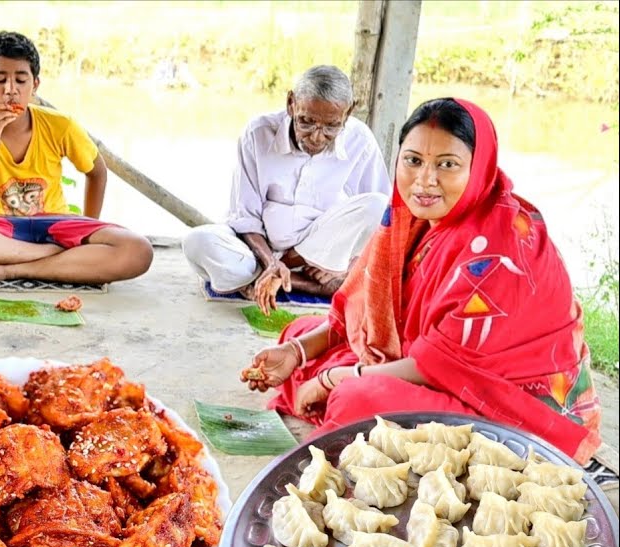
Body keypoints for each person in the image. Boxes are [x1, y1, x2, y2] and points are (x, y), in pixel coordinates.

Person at [243, 98, 601, 463]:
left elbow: (438, 364)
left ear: (479, 168)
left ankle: (341, 397)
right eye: (413, 160)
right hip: (423, 363)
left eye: (447, 165)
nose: (424, 181)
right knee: (298, 332)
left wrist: (335, 379)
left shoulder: (500, 248)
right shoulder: (406, 219)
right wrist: (296, 351)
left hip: (505, 403)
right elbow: (357, 314)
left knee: (359, 400)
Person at [0, 31, 153, 292]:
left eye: (21, 80)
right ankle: (54, 258)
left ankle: (7, 269)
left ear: (35, 85)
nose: (11, 91)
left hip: (56, 225)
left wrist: (87, 226)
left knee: (138, 250)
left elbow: (97, 171)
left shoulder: (60, 125)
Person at [183, 65, 389, 314]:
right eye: (307, 122)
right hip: (258, 253)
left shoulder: (361, 140)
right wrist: (271, 262)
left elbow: (382, 221)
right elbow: (245, 215)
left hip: (319, 259)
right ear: (291, 103)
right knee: (197, 241)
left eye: (331, 127)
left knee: (378, 205)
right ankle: (296, 281)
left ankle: (283, 280)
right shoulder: (258, 133)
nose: (316, 136)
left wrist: (347, 264)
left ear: (348, 113)